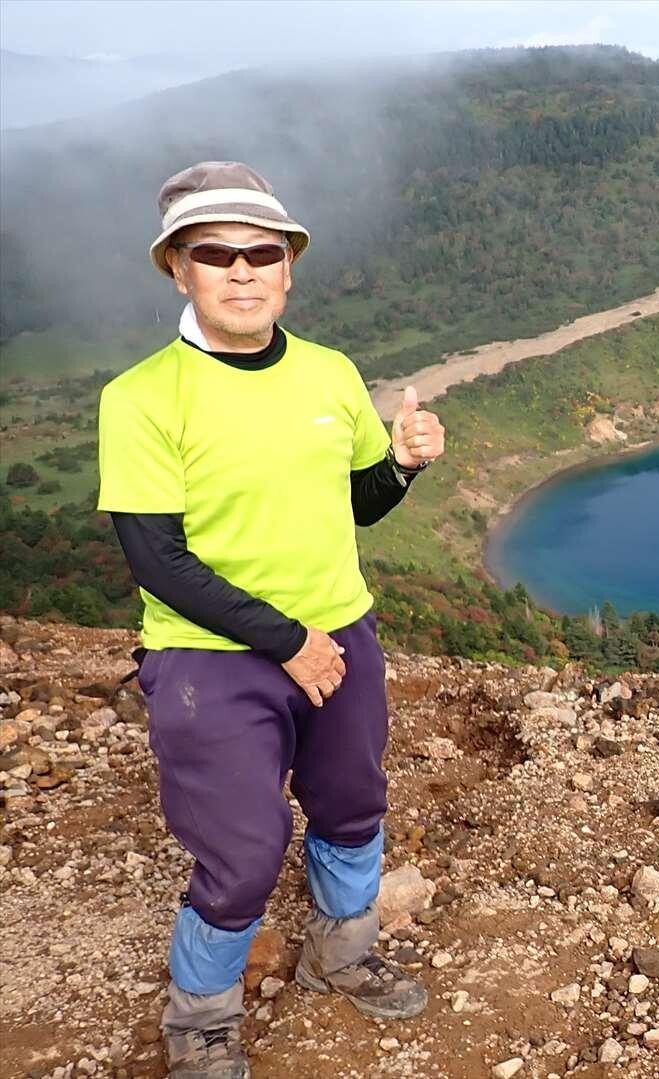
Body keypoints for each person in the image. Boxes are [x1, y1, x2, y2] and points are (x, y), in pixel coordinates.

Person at [96, 161, 447, 1079]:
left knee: (352, 805)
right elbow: (157, 560)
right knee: (245, 852)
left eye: (262, 251)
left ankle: (341, 952)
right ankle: (200, 1020)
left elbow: (359, 501)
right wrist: (289, 642)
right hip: (210, 656)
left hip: (342, 633)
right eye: (216, 253)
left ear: (288, 267)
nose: (242, 269)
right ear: (179, 268)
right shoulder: (142, 397)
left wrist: (403, 464)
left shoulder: (329, 373)